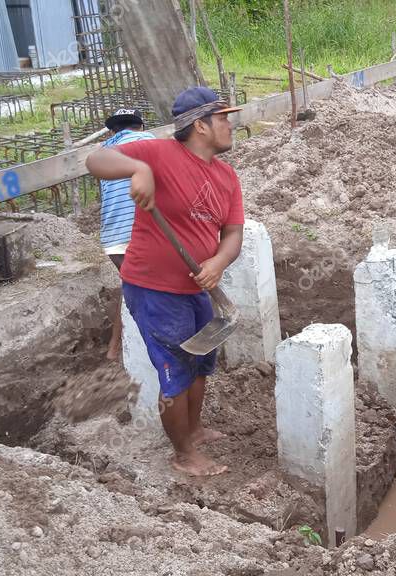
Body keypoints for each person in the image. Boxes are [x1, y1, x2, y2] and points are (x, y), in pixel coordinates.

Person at [85, 87, 243, 477]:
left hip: (198, 288)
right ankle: (184, 454)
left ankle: (194, 430)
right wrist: (138, 171)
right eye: (222, 117)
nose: (229, 124)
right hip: (154, 287)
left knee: (202, 363)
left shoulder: (226, 176)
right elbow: (95, 158)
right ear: (200, 125)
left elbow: (233, 233)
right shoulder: (158, 154)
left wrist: (219, 262)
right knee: (176, 369)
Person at [99, 108, 156, 361]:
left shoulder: (104, 151)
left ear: (113, 132)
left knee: (132, 285)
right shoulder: (151, 142)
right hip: (142, 233)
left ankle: (114, 348)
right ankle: (145, 351)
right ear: (141, 127)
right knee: (151, 290)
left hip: (113, 238)